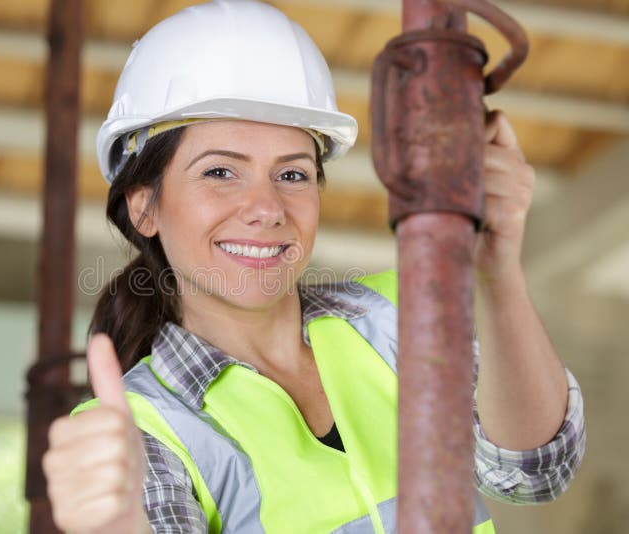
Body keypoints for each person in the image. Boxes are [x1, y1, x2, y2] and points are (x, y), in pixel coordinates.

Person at [41, 1, 585, 533]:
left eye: (293, 175)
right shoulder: (139, 430)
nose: (267, 208)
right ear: (145, 206)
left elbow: (532, 473)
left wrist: (496, 272)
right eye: (221, 172)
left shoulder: (399, 312)